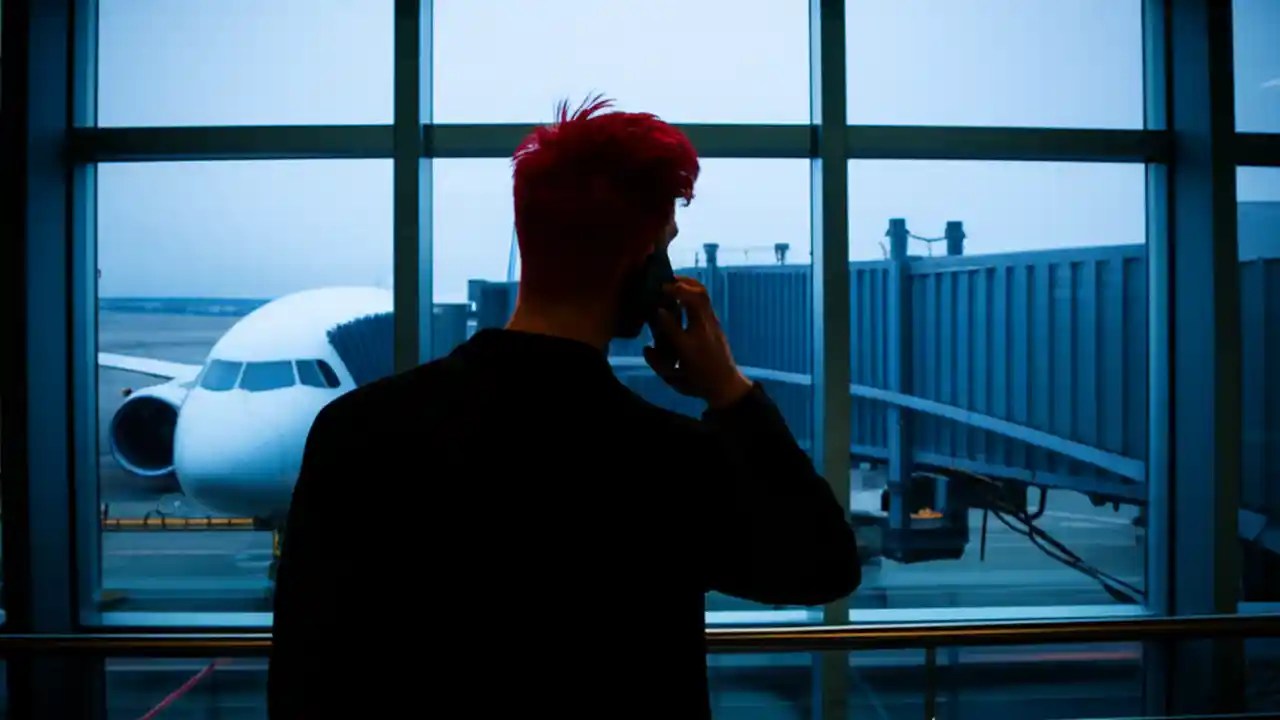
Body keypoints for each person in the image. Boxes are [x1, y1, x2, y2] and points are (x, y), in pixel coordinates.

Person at [267, 96, 861, 719]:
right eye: (666, 245)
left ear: (532, 238)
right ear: (644, 268)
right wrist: (731, 393)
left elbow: (304, 674)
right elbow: (824, 565)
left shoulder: (358, 428)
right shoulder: (666, 460)